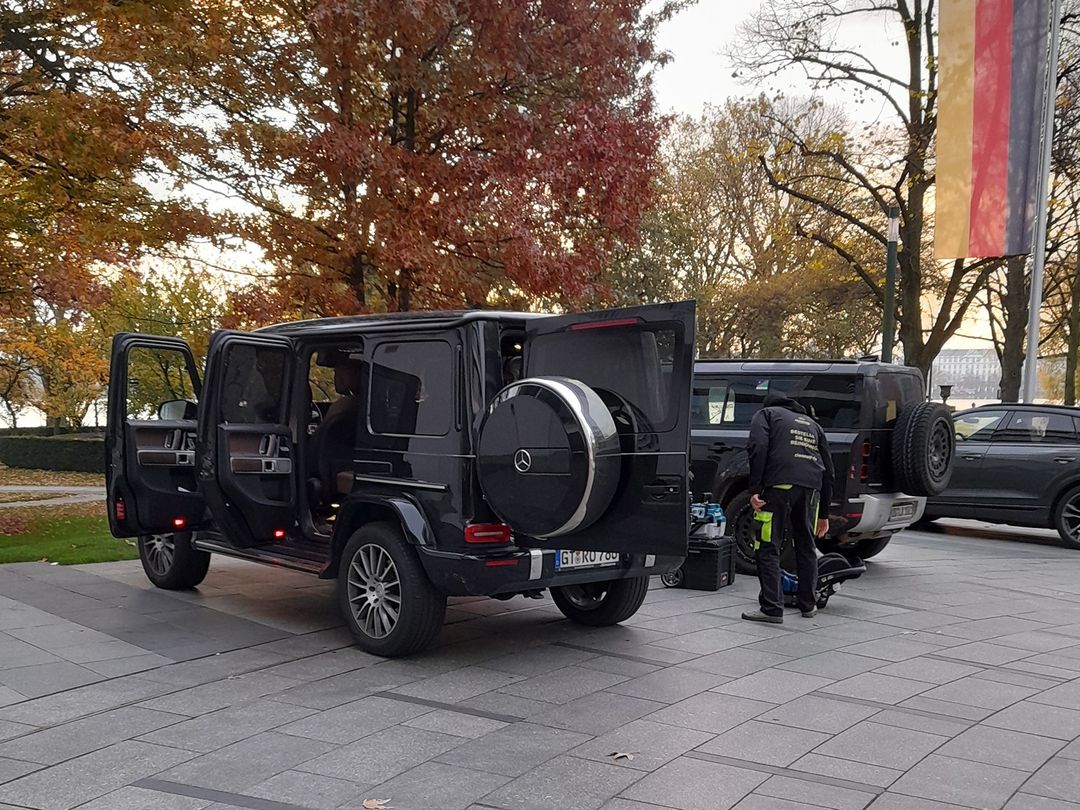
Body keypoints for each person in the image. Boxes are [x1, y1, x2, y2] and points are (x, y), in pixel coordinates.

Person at [742, 391, 834, 624]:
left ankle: (772, 608)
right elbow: (829, 470)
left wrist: (755, 489)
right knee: (805, 545)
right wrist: (824, 514)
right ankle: (808, 603)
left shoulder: (766, 414)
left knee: (766, 545)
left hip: (777, 487)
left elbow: (758, 447)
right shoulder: (813, 424)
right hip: (810, 490)